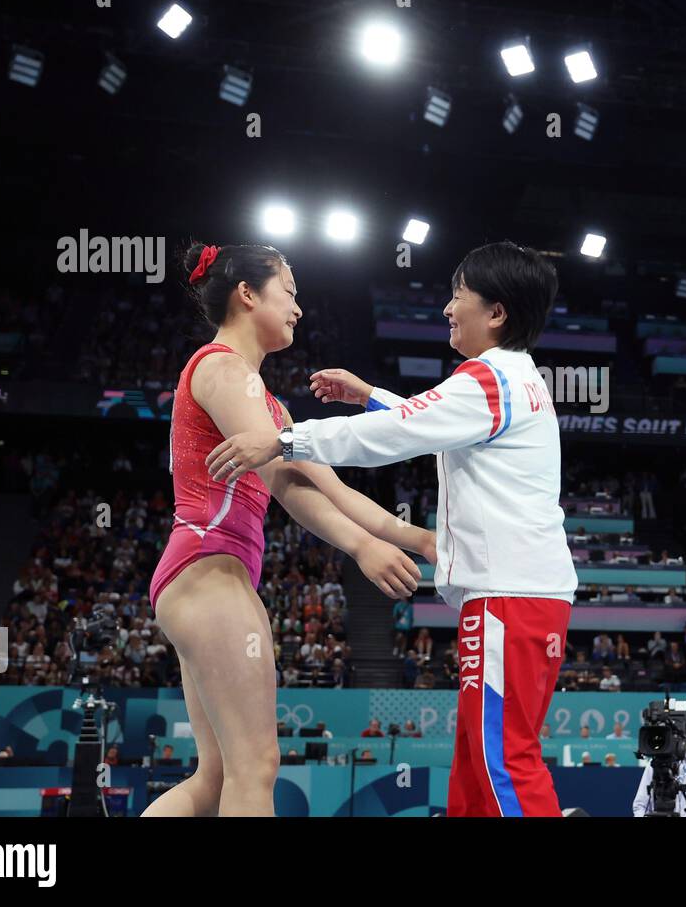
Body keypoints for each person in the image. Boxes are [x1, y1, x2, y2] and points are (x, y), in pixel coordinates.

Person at [207, 241, 577, 817]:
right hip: (513, 594)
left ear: (496, 312)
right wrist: (371, 395)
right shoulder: (509, 379)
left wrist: (283, 439)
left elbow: (398, 437)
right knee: (476, 765)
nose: (448, 308)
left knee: (501, 761)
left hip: (511, 596)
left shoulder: (488, 379)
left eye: (458, 295)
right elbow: (429, 422)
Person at [143, 242, 428, 817]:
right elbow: (285, 484)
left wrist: (423, 541)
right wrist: (362, 548)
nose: (299, 307)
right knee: (256, 768)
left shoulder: (268, 404)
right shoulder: (222, 369)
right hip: (208, 571)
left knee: (217, 776)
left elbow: (333, 489)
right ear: (248, 295)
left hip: (203, 576)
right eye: (290, 293)